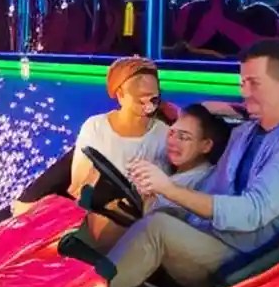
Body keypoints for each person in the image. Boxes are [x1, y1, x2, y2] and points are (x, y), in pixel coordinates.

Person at [62, 39, 279, 287]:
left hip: (251, 263)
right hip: (218, 237)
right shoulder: (247, 133)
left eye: (254, 84)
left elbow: (253, 213)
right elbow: (211, 186)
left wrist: (169, 189)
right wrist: (154, 195)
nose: (244, 92)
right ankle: (83, 286)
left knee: (158, 229)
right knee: (152, 215)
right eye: (242, 83)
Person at [5, 56, 170, 220]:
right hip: (95, 212)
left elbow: (162, 192)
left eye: (153, 99)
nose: (148, 106)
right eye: (140, 99)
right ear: (120, 95)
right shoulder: (96, 127)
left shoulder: (163, 134)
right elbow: (79, 186)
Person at [72, 103, 232, 252]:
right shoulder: (177, 171)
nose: (172, 142)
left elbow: (157, 220)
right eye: (171, 133)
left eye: (183, 137)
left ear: (206, 145)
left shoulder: (202, 181)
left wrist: (145, 196)